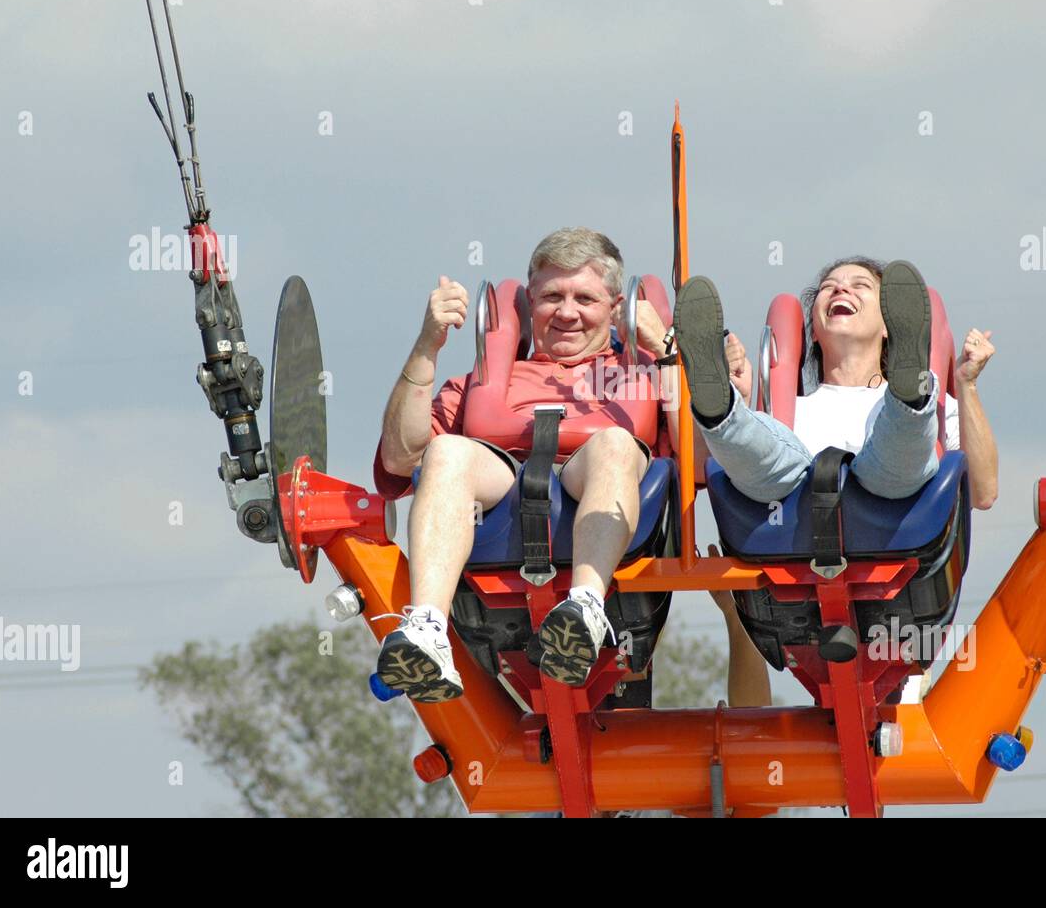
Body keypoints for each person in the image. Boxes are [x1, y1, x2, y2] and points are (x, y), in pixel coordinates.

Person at [372, 227, 692, 701]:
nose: (566, 312)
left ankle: (583, 610)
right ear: (527, 303)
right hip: (503, 480)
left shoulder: (645, 373)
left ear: (615, 307)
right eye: (551, 297)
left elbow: (702, 458)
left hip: (598, 472)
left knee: (615, 445)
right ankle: (427, 628)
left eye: (585, 298)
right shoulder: (486, 381)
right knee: (447, 451)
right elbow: (400, 458)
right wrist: (427, 345)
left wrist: (667, 348)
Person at [672, 257, 998, 514]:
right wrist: (740, 397)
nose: (841, 290)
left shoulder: (937, 409)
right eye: (830, 287)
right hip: (790, 522)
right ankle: (722, 410)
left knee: (898, 446)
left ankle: (907, 399)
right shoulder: (785, 410)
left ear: (890, 324)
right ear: (813, 331)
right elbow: (701, 468)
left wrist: (966, 385)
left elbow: (983, 492)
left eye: (860, 285)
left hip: (896, 505)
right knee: (769, 456)